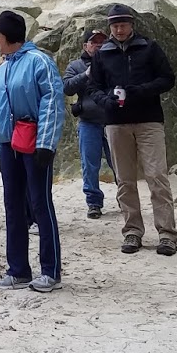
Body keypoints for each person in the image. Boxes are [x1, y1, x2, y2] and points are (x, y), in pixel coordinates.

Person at [0, 11, 68, 292]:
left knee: (40, 204)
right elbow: (0, 114)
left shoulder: (40, 62)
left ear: (8, 35)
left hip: (35, 143)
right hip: (11, 145)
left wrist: (46, 144)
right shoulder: (2, 69)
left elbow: (52, 103)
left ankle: (51, 271)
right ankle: (18, 270)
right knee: (14, 207)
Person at [89, 4, 177, 255]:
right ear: (110, 27)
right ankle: (132, 231)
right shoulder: (101, 54)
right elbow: (93, 87)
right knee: (125, 180)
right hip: (116, 123)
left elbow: (168, 79)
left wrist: (142, 90)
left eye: (123, 24)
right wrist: (105, 100)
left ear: (131, 25)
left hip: (149, 120)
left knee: (157, 177)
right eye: (115, 25)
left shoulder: (149, 48)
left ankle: (167, 234)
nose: (119, 29)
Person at [62, 28, 112, 218]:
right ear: (85, 46)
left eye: (102, 41)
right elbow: (66, 87)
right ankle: (93, 203)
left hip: (113, 121)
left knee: (119, 164)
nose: (98, 45)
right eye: (94, 42)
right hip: (88, 121)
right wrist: (86, 75)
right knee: (89, 165)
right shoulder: (76, 66)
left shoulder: (113, 61)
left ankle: (125, 201)